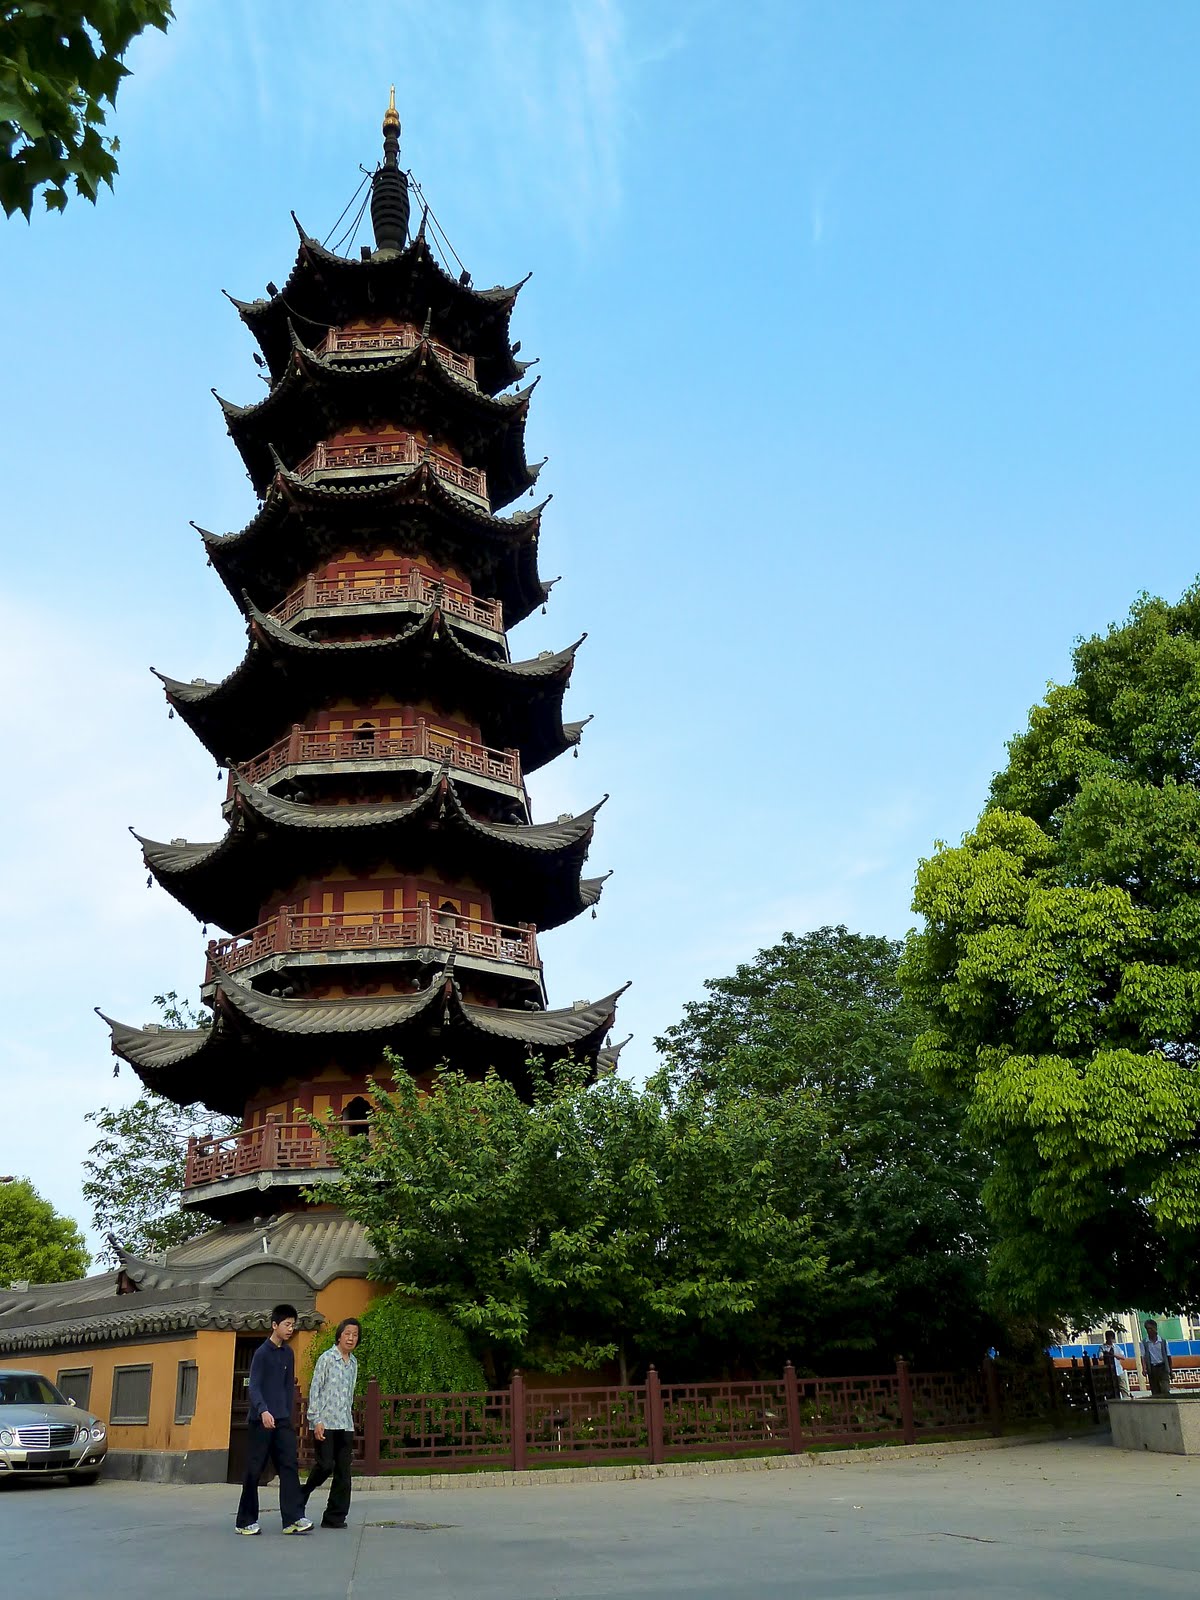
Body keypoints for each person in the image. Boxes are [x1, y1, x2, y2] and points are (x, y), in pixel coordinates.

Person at [235, 1303, 313, 1536]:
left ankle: (293, 1518)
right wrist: (263, 1411)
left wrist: (287, 1415)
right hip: (261, 1421)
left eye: (293, 1325)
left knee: (289, 1467)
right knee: (254, 1469)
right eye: (287, 1324)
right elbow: (255, 1386)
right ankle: (244, 1521)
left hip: (282, 1421)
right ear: (274, 1325)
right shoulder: (261, 1353)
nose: (291, 1329)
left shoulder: (288, 1353)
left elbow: (288, 1387)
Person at [302, 1317, 361, 1530]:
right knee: (325, 1465)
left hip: (345, 1424)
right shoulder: (326, 1359)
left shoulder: (353, 1363)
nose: (351, 1338)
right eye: (347, 1334)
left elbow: (350, 1395)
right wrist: (315, 1420)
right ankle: (303, 1493)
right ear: (339, 1335)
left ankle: (334, 1516)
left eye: (355, 1335)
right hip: (325, 1423)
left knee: (344, 1473)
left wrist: (350, 1422)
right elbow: (315, 1390)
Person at [1142, 1319, 1173, 1398]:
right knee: (1155, 1391)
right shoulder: (1145, 1342)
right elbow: (1143, 1356)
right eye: (1147, 1329)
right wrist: (1144, 1368)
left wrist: (1170, 1371)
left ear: (1155, 1328)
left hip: (1162, 1367)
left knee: (1165, 1389)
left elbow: (1168, 1356)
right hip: (1152, 1368)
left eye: (1151, 1328)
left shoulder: (1163, 1341)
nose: (1149, 1331)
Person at [1100, 1330, 1131, 1399]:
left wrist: (1113, 1355)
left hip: (1119, 1370)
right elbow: (1100, 1357)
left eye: (1111, 1338)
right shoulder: (1102, 1347)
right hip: (1109, 1371)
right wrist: (1106, 1354)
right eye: (1109, 1338)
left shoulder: (1117, 1347)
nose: (1110, 1339)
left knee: (1123, 1387)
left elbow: (1123, 1357)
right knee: (1112, 1388)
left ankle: (1126, 1400)